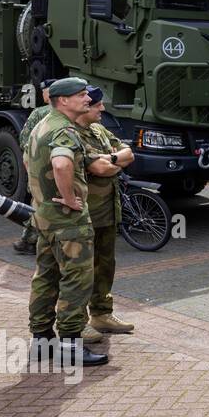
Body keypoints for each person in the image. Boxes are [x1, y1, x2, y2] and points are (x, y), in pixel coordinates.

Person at [26, 77, 108, 366]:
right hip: (68, 221)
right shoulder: (64, 130)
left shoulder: (41, 125)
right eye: (82, 95)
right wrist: (70, 198)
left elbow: (29, 163)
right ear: (63, 100)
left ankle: (42, 342)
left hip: (45, 217)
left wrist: (44, 197)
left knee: (45, 278)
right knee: (76, 280)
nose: (87, 99)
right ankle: (71, 348)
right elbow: (61, 164)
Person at [74, 86, 136, 335]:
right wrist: (112, 161)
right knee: (80, 269)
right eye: (97, 105)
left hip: (108, 210)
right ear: (84, 107)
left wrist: (110, 160)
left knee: (106, 264)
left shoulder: (98, 130)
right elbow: (99, 169)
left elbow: (129, 154)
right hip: (83, 212)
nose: (102, 108)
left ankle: (102, 314)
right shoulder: (73, 133)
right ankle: (77, 322)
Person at [14, 79, 56, 254]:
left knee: (38, 202)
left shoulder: (39, 113)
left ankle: (29, 240)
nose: (42, 94)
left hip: (41, 167)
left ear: (49, 93)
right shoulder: (72, 112)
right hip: (64, 165)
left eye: (44, 91)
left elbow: (24, 139)